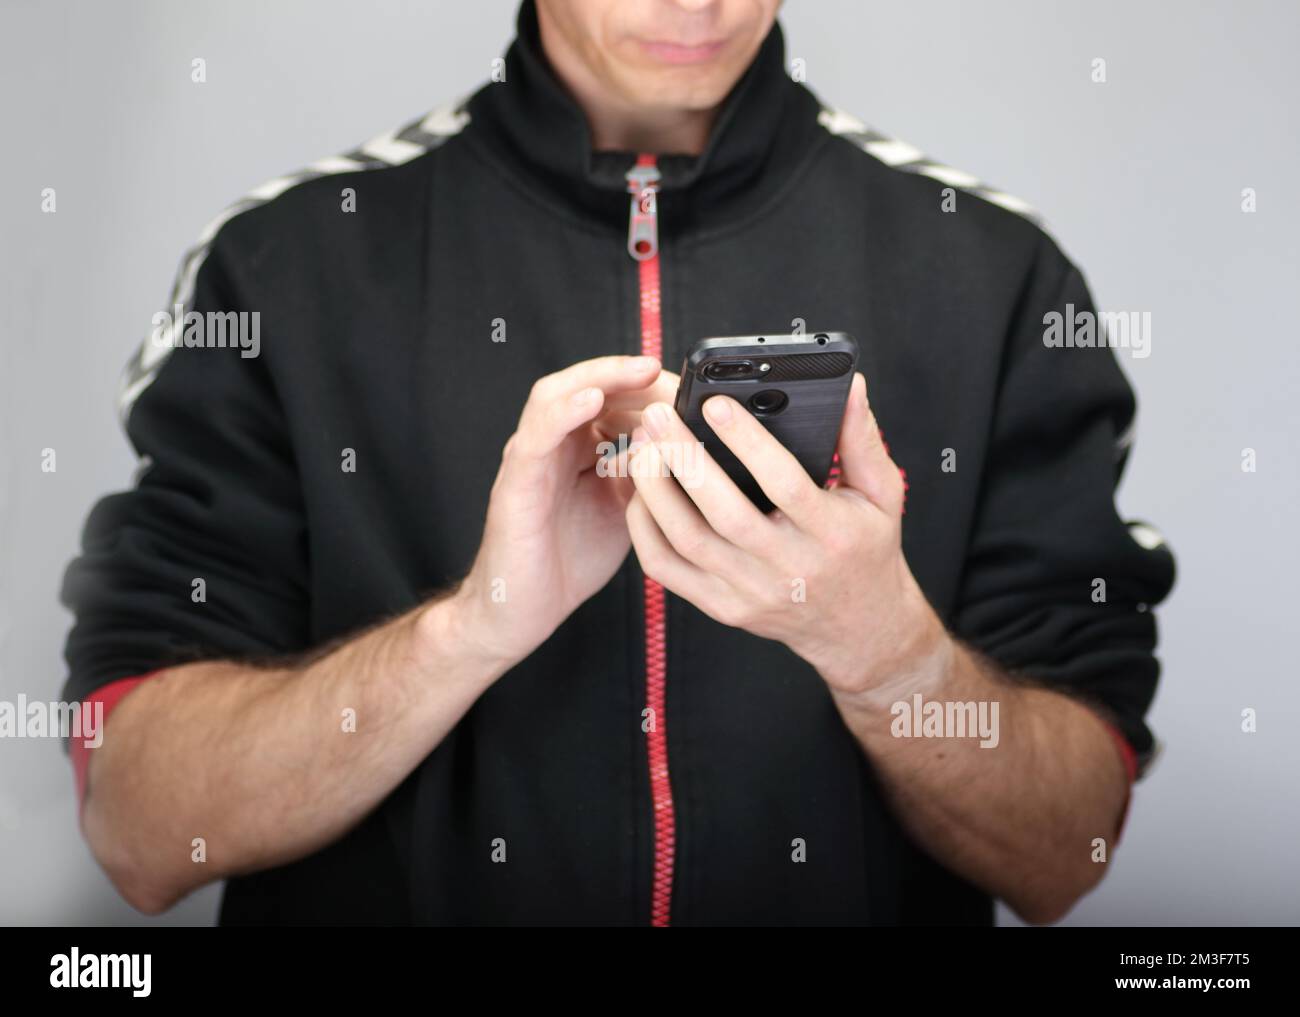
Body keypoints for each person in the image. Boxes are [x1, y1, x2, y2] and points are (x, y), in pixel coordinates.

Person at [61, 0, 1175, 926]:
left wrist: (888, 660)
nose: (699, 4)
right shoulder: (280, 268)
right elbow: (140, 831)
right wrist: (468, 632)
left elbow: (1066, 851)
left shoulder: (995, 272)